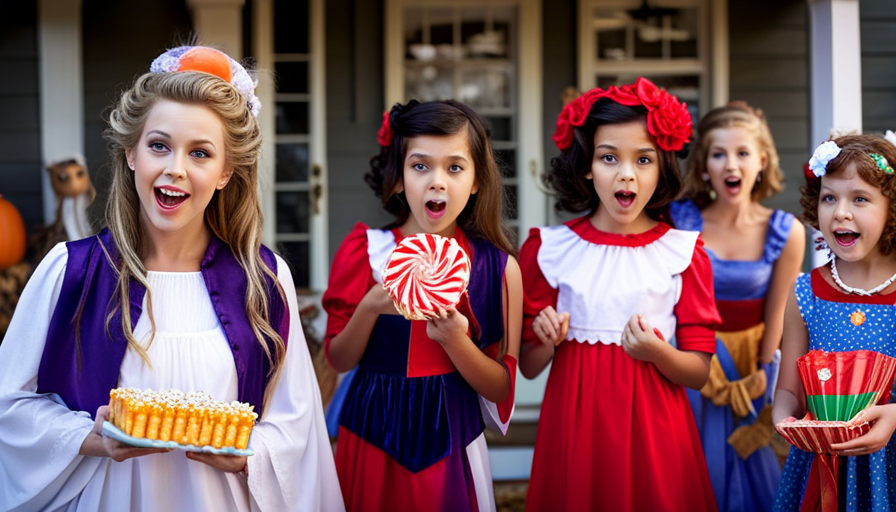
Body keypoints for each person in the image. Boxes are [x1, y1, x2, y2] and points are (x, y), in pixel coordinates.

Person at [0, 46, 343, 511]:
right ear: (131, 154)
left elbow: (296, 424)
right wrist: (89, 436)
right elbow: (9, 407)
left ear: (225, 173)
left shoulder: (263, 281)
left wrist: (247, 456)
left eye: (200, 153)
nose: (174, 168)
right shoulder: (70, 272)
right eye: (159, 145)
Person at [520, 78, 721, 512]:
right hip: (575, 430)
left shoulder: (683, 254)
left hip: (656, 432)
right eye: (609, 157)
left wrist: (658, 353)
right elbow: (530, 367)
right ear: (588, 166)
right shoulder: (550, 250)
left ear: (661, 168)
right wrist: (544, 339)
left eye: (643, 159)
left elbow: (699, 373)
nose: (626, 173)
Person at [322, 99, 522, 512]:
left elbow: (501, 386)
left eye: (454, 167)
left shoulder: (497, 269)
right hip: (371, 432)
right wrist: (371, 305)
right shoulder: (367, 253)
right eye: (420, 166)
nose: (437, 182)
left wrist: (455, 341)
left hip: (452, 438)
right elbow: (338, 358)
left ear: (477, 180)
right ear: (397, 180)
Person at [669, 102, 805, 512]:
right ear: (704, 165)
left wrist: (761, 376)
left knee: (749, 464)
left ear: (761, 161)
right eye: (718, 154)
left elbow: (779, 315)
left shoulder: (786, 231)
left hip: (752, 365)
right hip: (692, 358)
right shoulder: (680, 221)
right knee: (691, 464)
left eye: (743, 153)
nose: (732, 164)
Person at [773, 134, 896, 511]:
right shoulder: (805, 293)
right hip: (824, 463)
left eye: (859, 198)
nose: (840, 212)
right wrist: (784, 419)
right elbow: (789, 392)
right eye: (829, 198)